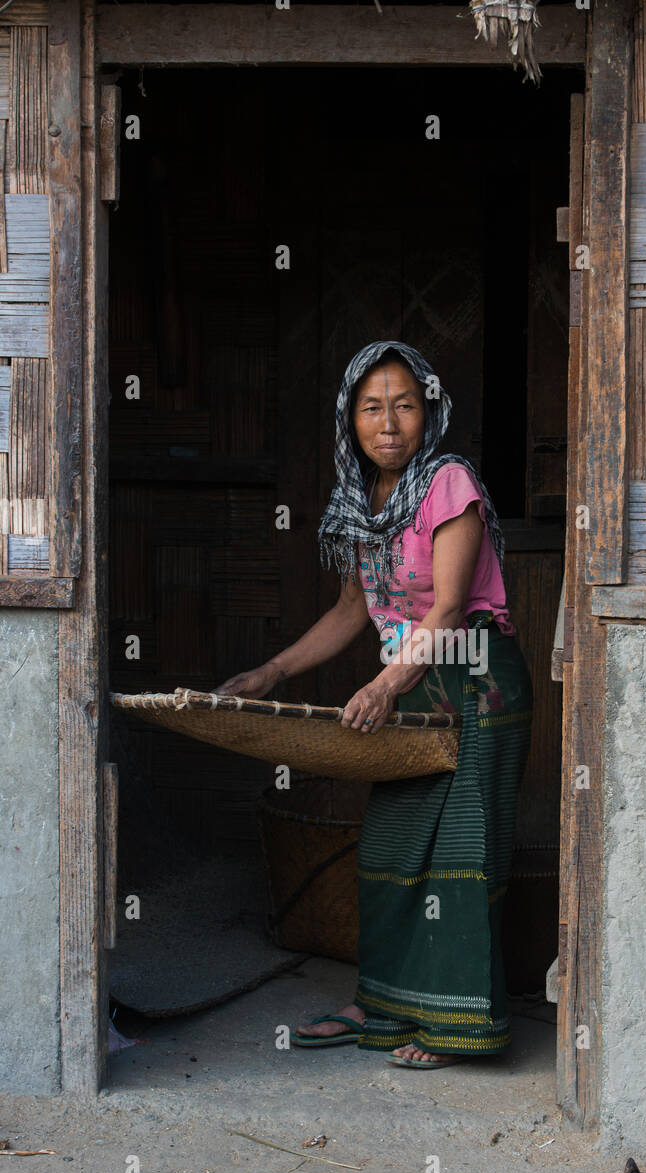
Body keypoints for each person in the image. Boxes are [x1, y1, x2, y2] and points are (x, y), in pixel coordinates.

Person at [215, 340, 533, 1069]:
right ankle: (382, 1005)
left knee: (460, 860)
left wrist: (386, 684)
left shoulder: (448, 484)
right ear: (349, 419)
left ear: (429, 414)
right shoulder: (361, 503)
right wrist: (272, 671)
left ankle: (459, 1028)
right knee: (389, 850)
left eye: (404, 405)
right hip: (417, 681)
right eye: (371, 407)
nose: (388, 422)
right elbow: (350, 609)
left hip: (475, 679)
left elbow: (449, 607)